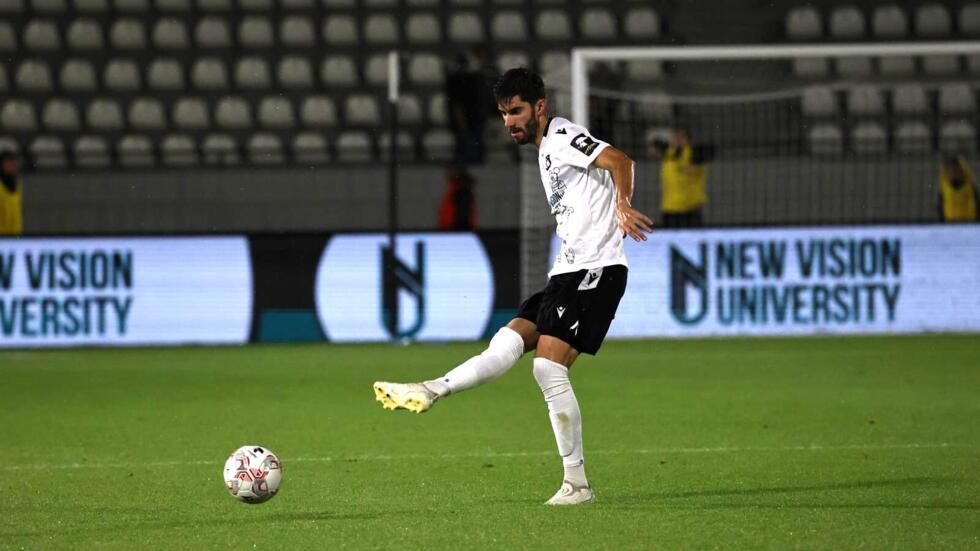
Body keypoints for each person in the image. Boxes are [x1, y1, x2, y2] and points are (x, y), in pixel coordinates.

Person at [374, 68, 653, 506]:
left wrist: (622, 205)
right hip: (567, 272)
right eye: (504, 114)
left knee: (547, 368)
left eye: (517, 111)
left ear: (539, 107)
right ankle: (432, 388)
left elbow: (621, 160)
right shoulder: (544, 149)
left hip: (596, 270)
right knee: (505, 342)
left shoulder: (562, 135)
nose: (510, 122)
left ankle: (577, 484)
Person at [648, 126, 713, 228]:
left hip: (690, 208)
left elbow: (709, 151)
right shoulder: (670, 152)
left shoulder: (693, 153)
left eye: (682, 137)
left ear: (688, 140)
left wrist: (693, 165)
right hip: (670, 207)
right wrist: (654, 147)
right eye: (676, 137)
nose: (677, 140)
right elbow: (657, 145)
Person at [937, 154, 979, 222]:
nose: (954, 173)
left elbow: (977, 207)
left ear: (963, 171)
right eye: (952, 170)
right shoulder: (944, 190)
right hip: (950, 225)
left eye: (957, 170)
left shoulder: (971, 188)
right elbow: (940, 209)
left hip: (969, 224)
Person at [437, 164, 477, 231]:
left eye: (452, 169)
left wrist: (457, 232)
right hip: (451, 230)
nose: (448, 172)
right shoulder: (456, 188)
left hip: (454, 231)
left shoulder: (461, 189)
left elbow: (463, 215)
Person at [0, 149, 23, 236]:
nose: (12, 165)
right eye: (8, 162)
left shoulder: (17, 185)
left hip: (15, 235)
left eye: (14, 161)